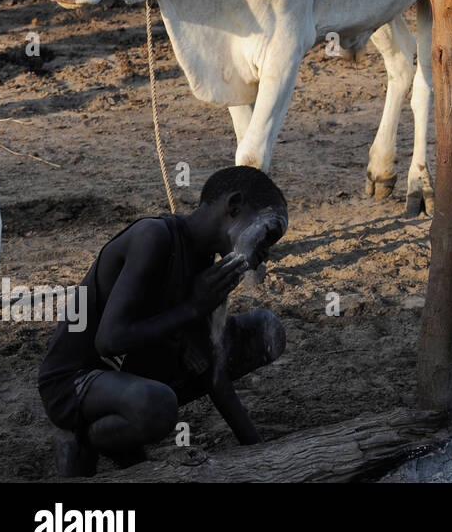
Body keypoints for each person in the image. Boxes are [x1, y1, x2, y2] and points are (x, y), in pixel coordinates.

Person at [37, 167, 290, 477]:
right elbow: (109, 340)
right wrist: (192, 309)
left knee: (265, 332)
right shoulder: (153, 237)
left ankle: (121, 440)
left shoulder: (208, 263)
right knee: (157, 406)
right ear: (234, 207)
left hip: (131, 370)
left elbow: (213, 369)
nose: (265, 256)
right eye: (267, 237)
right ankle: (82, 438)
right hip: (75, 381)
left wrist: (259, 453)